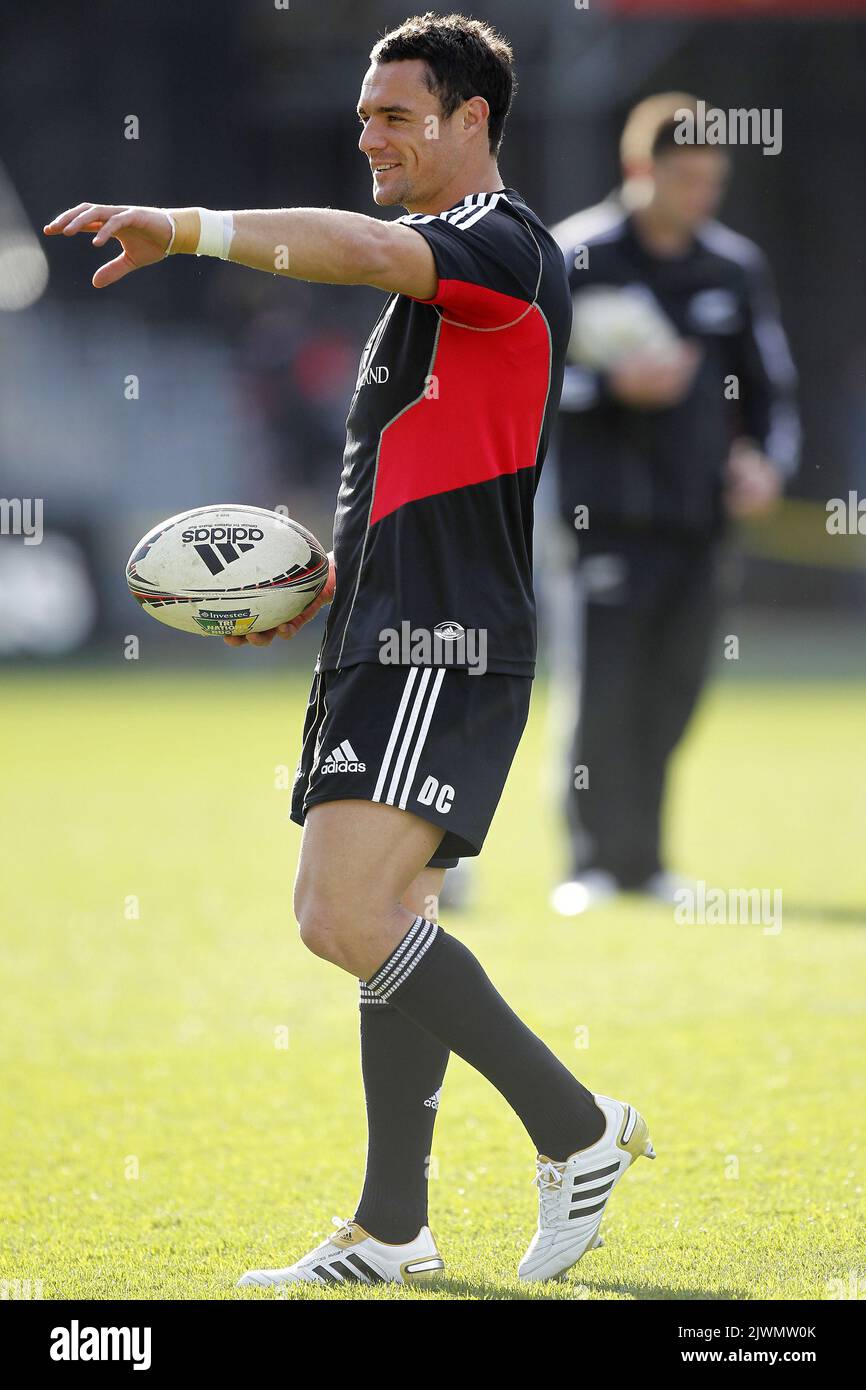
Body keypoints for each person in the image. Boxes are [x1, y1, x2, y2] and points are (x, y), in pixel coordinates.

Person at [45, 13, 654, 1287]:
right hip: (385, 628)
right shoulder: (428, 284)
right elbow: (437, 461)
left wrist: (189, 224)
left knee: (341, 913)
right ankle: (392, 1226)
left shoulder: (489, 241)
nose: (368, 133)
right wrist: (324, 572)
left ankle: (575, 1126)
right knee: (395, 917)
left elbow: (361, 245)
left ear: (470, 120)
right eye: (364, 113)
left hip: (442, 642)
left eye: (395, 115)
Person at [550, 93, 800, 916]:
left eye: (712, 180)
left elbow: (771, 392)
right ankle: (594, 864)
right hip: (604, 518)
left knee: (675, 689)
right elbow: (528, 387)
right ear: (640, 170)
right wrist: (608, 386)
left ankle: (645, 861)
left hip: (700, 518)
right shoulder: (575, 256)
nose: (701, 195)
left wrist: (766, 463)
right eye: (685, 177)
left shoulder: (733, 266)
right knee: (606, 687)